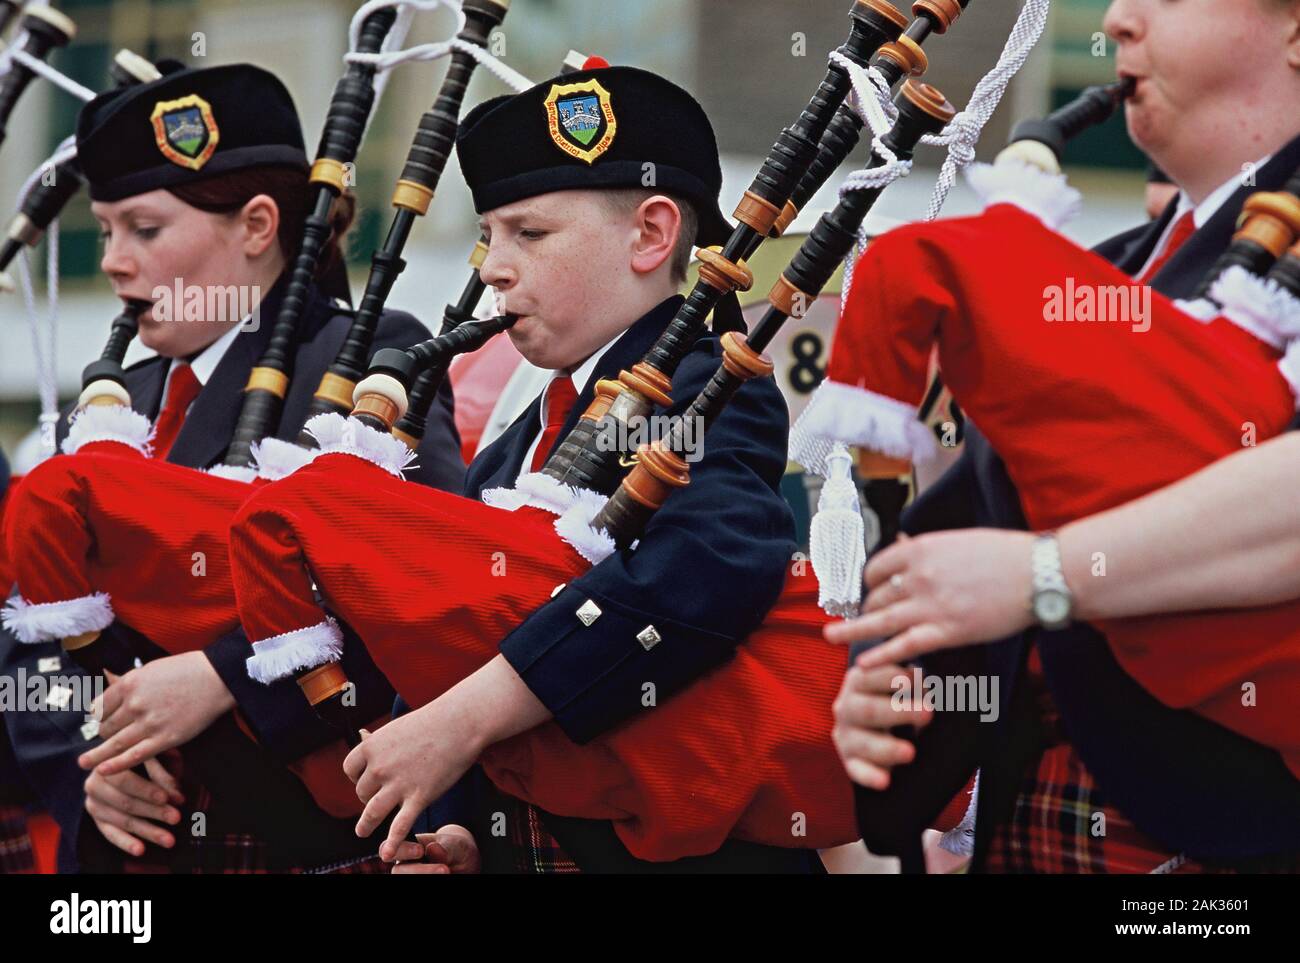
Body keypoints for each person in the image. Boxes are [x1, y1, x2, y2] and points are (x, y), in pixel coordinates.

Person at [829, 0, 1300, 872]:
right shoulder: (1114, 273)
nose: (1118, 19)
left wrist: (1042, 577)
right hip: (1036, 823)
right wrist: (903, 695)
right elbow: (975, 550)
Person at [338, 63, 818, 873]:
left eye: (529, 234)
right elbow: (465, 636)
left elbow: (703, 568)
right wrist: (465, 832)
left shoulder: (708, 386)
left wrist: (462, 721)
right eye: (490, 235)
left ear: (651, 234)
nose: (492, 265)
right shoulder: (510, 443)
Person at [0, 61, 465, 872]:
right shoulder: (116, 402)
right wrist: (92, 770)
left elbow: (417, 590)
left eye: (143, 229)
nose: (113, 260)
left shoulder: (367, 365)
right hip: (131, 848)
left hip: (286, 830)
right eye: (105, 230)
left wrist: (223, 676)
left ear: (256, 225)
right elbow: (36, 620)